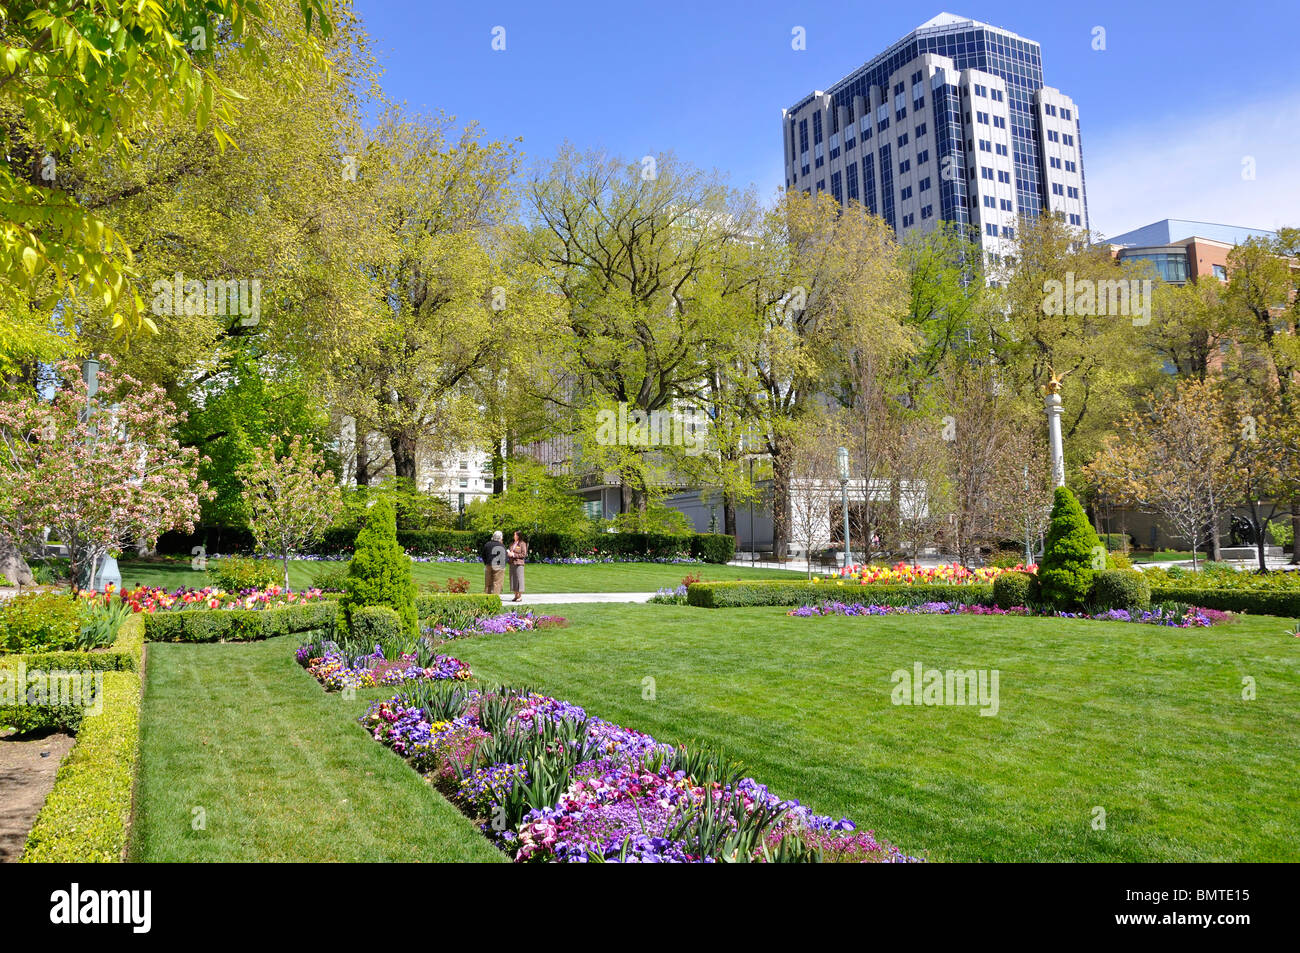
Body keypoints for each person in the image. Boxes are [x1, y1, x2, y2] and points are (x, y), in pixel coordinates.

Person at [481, 530, 506, 595]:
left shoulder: (487, 544)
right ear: (500, 537)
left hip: (489, 565)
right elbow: (504, 557)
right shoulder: (502, 546)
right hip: (499, 566)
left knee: (488, 583)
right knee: (497, 583)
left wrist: (486, 563)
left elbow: (483, 555)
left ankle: (487, 598)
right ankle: (495, 599)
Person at [507, 530, 528, 602]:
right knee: (513, 579)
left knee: (519, 579)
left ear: (518, 536)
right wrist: (509, 553)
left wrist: (514, 555)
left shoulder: (522, 544)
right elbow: (510, 552)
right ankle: (515, 595)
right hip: (512, 563)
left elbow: (524, 554)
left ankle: (520, 596)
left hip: (519, 564)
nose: (514, 536)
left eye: (515, 535)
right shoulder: (512, 544)